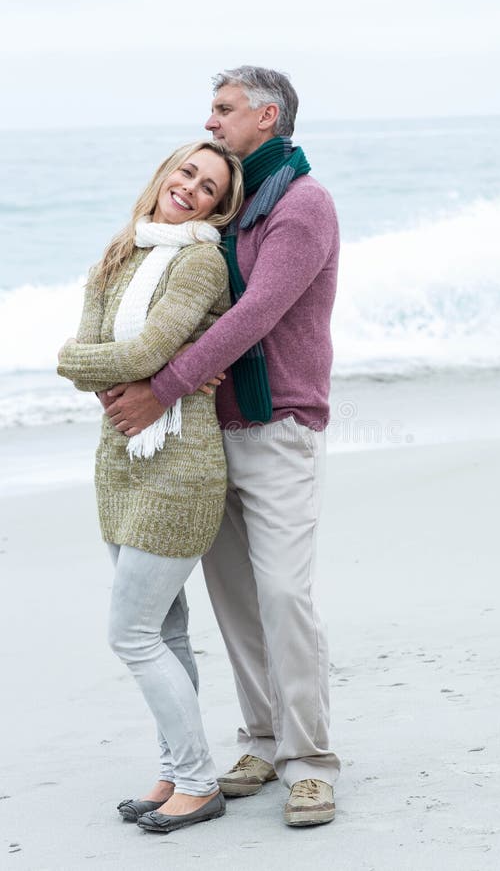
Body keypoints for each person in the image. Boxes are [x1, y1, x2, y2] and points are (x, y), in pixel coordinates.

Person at [102, 66, 341, 827]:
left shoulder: (301, 205)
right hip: (208, 435)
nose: (210, 121)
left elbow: (255, 314)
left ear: (267, 116)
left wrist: (163, 386)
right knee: (235, 600)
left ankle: (310, 762)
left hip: (279, 427)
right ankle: (264, 741)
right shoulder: (231, 212)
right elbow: (193, 309)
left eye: (223, 108)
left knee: (284, 596)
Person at [57, 140, 244, 833]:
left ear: (217, 208)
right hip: (119, 458)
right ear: (166, 172)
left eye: (209, 188)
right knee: (165, 631)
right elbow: (97, 358)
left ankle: (198, 781)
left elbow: (140, 352)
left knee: (131, 633)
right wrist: (88, 362)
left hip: (180, 466)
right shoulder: (120, 253)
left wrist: (77, 360)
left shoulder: (200, 261)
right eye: (187, 172)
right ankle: (174, 772)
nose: (191, 188)